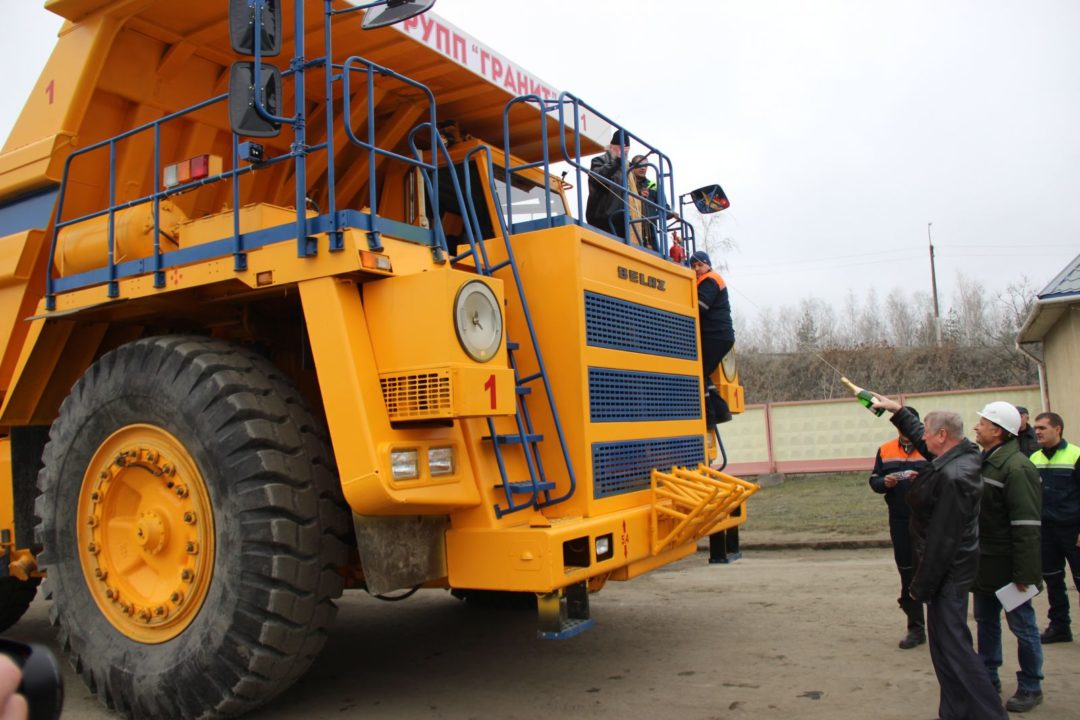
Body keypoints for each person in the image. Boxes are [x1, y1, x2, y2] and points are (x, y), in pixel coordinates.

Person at [870, 396, 1008, 720]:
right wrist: (895, 409)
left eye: (930, 435)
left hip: (947, 575)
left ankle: (989, 714)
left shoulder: (955, 476)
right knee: (945, 651)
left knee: (956, 652)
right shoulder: (958, 454)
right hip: (948, 574)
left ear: (943, 436)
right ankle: (955, 712)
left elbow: (943, 542)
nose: (923, 441)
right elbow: (921, 434)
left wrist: (920, 588)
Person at [970, 401, 1044, 713]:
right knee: (986, 623)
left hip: (1009, 568)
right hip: (985, 564)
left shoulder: (1017, 467)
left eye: (983, 423)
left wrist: (1025, 575)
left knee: (1023, 627)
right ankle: (988, 679)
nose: (977, 427)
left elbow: (1026, 525)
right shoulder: (987, 460)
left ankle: (1030, 685)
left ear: (997, 431)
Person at [868, 408, 932, 649]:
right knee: (907, 573)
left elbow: (945, 481)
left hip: (928, 519)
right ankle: (915, 627)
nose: (905, 433)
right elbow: (874, 481)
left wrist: (923, 480)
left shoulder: (931, 449)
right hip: (900, 519)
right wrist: (883, 482)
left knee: (932, 571)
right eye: (901, 429)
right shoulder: (885, 450)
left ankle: (941, 627)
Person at [1031, 411, 1080, 644]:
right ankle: (1060, 626)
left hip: (1073, 530)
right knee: (1052, 579)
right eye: (1036, 428)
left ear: (1058, 429)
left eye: (1042, 427)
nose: (1037, 431)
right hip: (1046, 531)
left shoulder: (1076, 455)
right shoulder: (1034, 459)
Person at [690, 250, 734, 381]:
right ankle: (710, 400)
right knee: (703, 375)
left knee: (699, 372)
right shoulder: (705, 280)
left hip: (716, 336)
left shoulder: (710, 280)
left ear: (708, 265)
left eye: (699, 265)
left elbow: (700, 306)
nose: (696, 269)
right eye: (693, 266)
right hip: (718, 336)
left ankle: (713, 401)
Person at [586, 131, 631, 238]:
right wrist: (616, 162)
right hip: (602, 218)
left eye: (626, 150)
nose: (623, 152)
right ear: (611, 147)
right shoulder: (599, 160)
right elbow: (596, 177)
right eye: (619, 149)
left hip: (622, 219)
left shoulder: (628, 167)